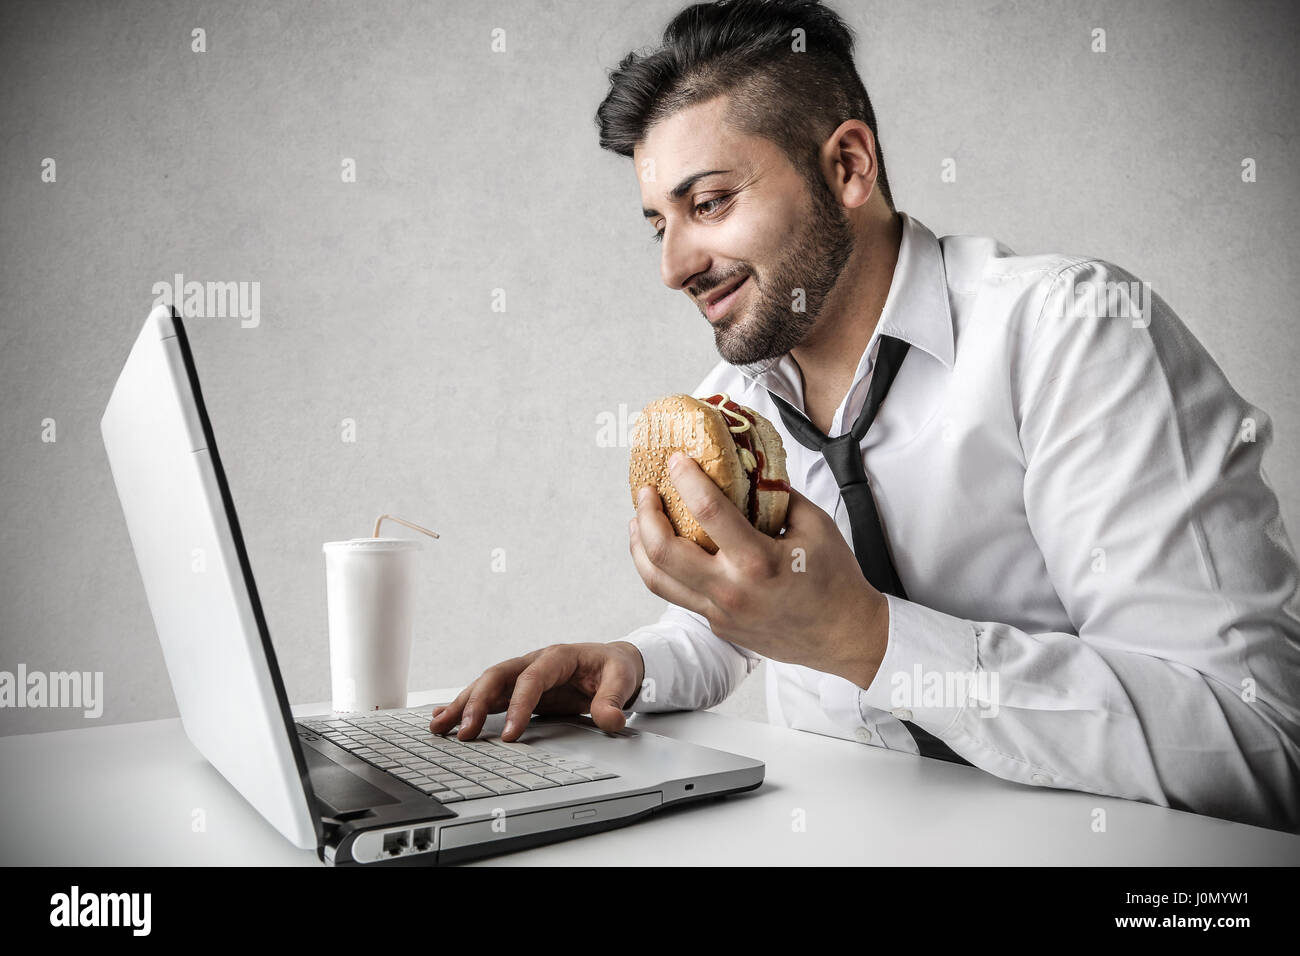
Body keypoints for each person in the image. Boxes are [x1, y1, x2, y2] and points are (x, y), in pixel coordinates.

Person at [429, 0, 1300, 832]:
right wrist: (632, 666)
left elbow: (1260, 749)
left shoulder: (1075, 335)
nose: (673, 265)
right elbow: (727, 630)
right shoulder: (730, 409)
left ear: (848, 166)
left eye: (709, 203)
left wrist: (869, 640)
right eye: (656, 223)